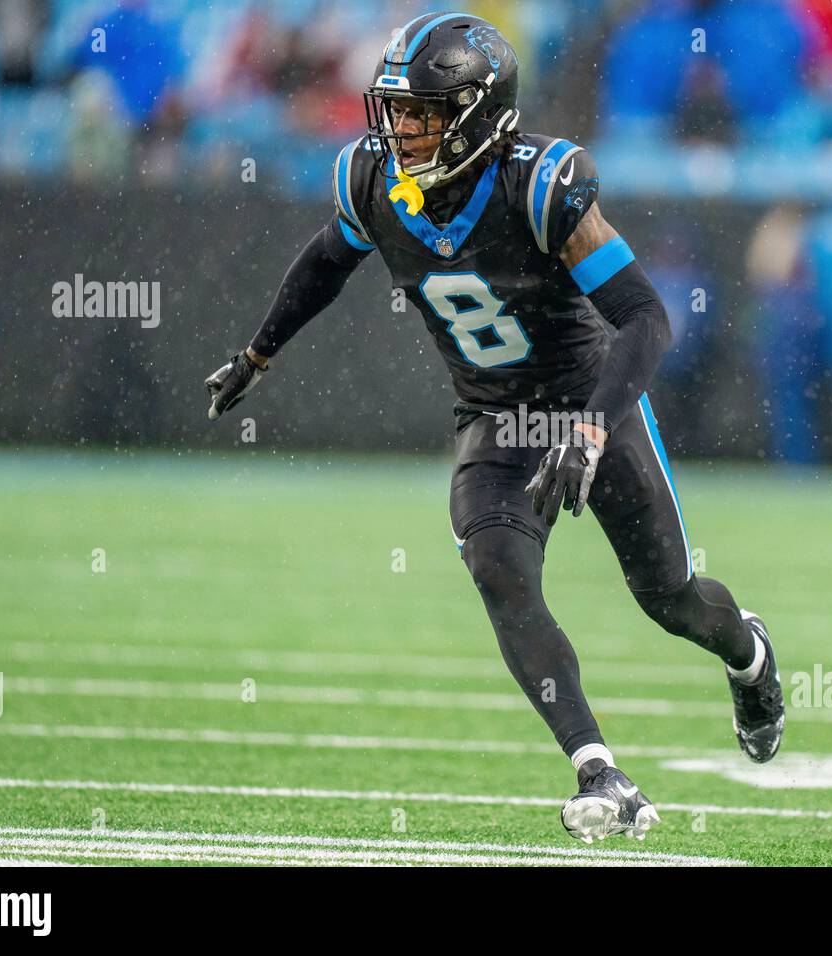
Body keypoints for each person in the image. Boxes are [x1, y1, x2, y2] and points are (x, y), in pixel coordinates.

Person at [203, 13, 783, 843]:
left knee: (672, 600)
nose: (401, 129)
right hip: (491, 415)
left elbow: (647, 319)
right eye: (396, 111)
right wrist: (257, 355)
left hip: (588, 399)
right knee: (498, 567)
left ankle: (750, 658)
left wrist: (587, 430)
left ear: (479, 113)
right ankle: (598, 770)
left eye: (423, 113)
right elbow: (326, 260)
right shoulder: (376, 182)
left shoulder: (538, 185)